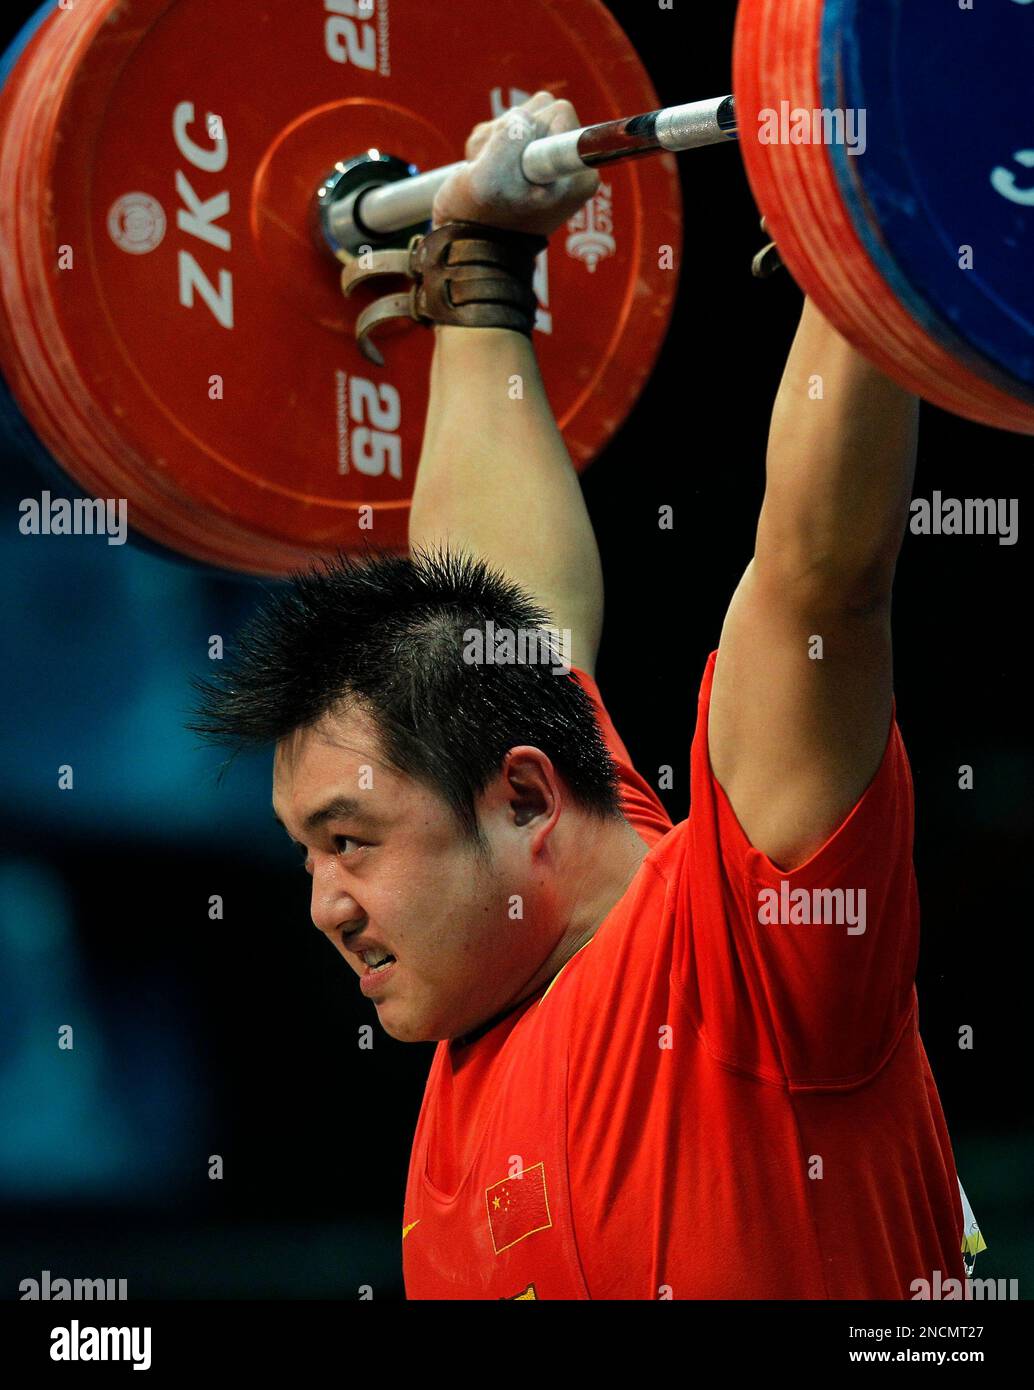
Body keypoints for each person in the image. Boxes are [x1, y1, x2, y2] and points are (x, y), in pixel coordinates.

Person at [191, 93, 970, 1299]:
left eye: (348, 841)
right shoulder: (480, 1005)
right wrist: (479, 275)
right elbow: (496, 602)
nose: (324, 907)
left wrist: (858, 255)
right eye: (306, 855)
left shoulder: (750, 960)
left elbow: (823, 590)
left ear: (521, 799)